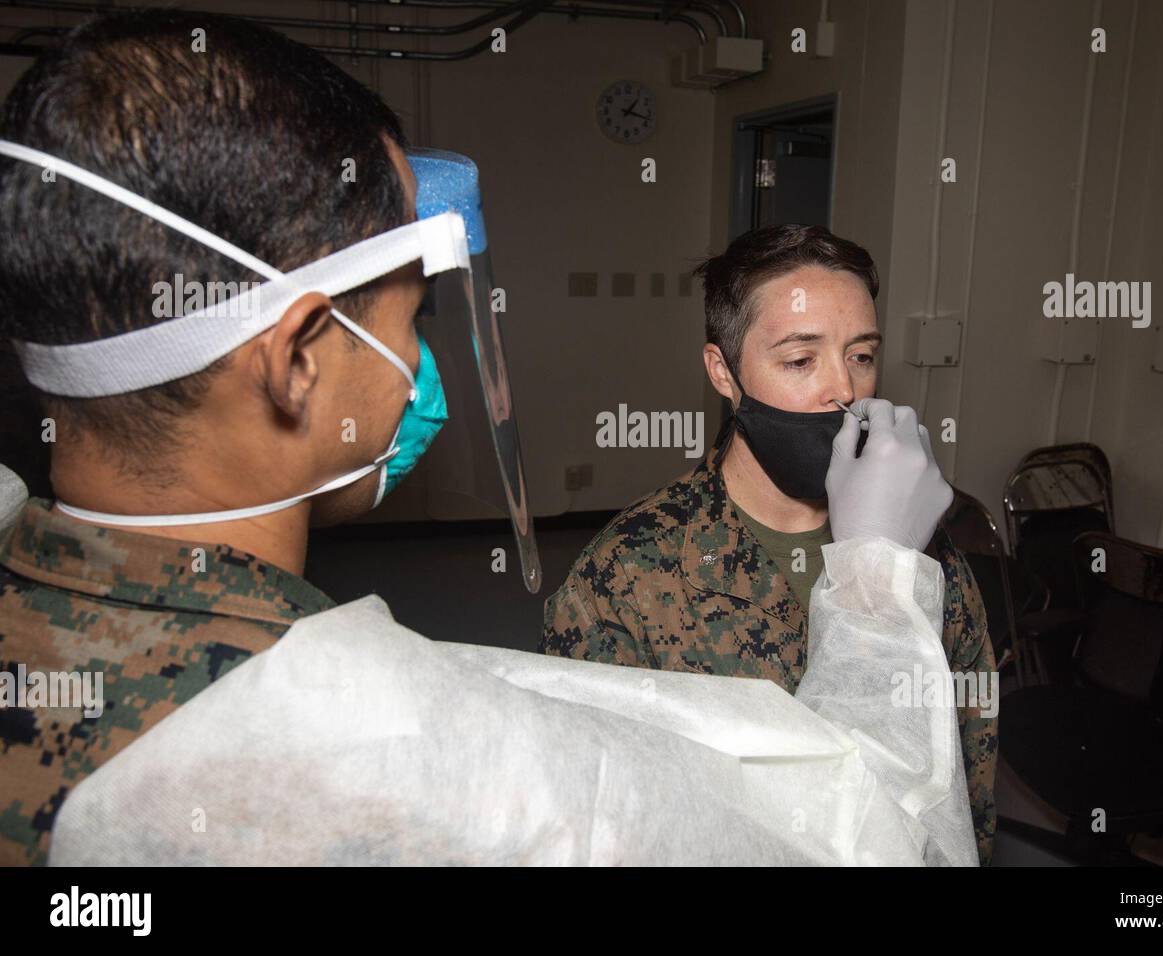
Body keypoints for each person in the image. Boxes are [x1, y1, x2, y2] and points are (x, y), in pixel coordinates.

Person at [0, 9, 973, 866]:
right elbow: (863, 836)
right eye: (414, 314)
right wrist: (879, 580)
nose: (422, 362)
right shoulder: (379, 748)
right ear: (298, 353)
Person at [542, 225, 999, 863]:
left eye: (862, 355)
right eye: (799, 360)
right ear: (723, 372)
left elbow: (964, 771)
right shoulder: (626, 579)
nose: (844, 389)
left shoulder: (922, 553)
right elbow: (598, 817)